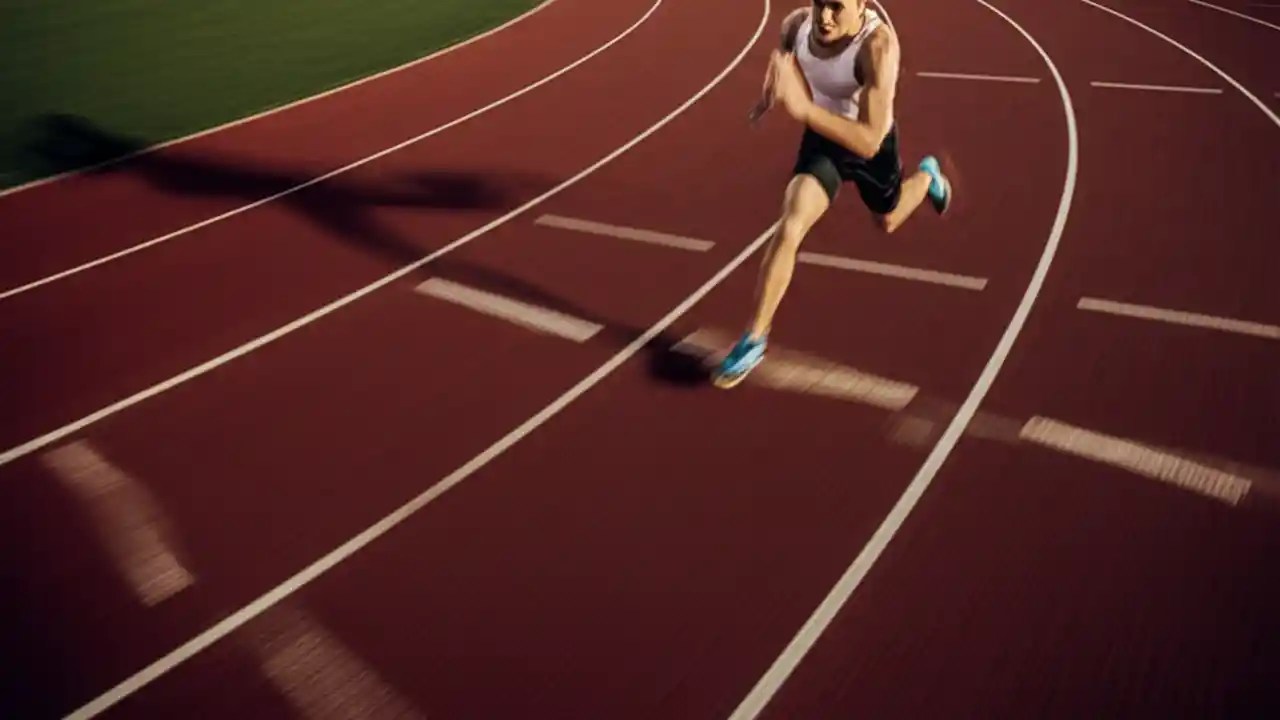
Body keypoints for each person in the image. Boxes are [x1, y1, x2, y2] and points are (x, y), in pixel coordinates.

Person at [712, 0, 952, 389]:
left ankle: (926, 177)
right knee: (790, 224)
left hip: (870, 148)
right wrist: (768, 94)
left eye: (836, 7)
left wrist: (804, 109)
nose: (824, 17)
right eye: (820, 3)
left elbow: (870, 139)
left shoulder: (878, 48)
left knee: (888, 219)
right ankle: (754, 339)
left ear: (860, 5)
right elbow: (783, 58)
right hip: (824, 142)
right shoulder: (798, 25)